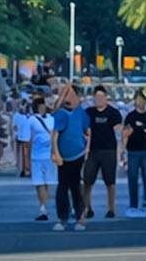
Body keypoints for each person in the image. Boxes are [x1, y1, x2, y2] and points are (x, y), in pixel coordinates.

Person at [50, 84, 90, 230]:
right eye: (67, 95)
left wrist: (87, 147)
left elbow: (88, 131)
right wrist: (56, 154)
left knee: (76, 186)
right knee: (63, 186)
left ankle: (80, 218)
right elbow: (54, 135)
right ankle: (62, 218)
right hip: (63, 156)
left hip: (78, 154)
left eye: (72, 94)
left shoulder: (81, 113)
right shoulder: (60, 114)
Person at [85, 86, 124, 220]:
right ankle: (87, 208)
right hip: (92, 151)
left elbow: (119, 128)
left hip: (109, 150)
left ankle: (111, 209)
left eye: (102, 97)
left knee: (110, 182)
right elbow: (84, 128)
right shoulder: (89, 112)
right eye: (97, 97)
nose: (99, 100)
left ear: (106, 98)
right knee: (87, 181)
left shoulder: (113, 113)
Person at [19, 95, 56, 222]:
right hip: (38, 156)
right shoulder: (32, 120)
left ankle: (43, 207)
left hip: (48, 156)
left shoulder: (50, 119)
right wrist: (26, 162)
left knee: (45, 183)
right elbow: (26, 143)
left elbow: (26, 142)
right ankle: (43, 207)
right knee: (41, 183)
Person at [122, 92, 146, 217]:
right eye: (137, 100)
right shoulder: (130, 116)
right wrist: (122, 150)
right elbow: (125, 133)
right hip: (133, 151)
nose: (140, 102)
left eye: (142, 100)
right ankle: (133, 204)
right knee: (132, 178)